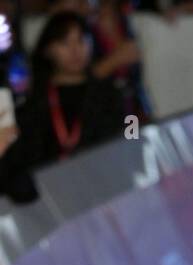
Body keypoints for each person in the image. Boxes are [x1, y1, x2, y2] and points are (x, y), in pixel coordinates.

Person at [0, 10, 125, 204]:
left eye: (81, 40)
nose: (75, 50)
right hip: (50, 203)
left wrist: (133, 144)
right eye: (65, 42)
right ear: (48, 49)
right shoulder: (33, 103)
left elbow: (132, 131)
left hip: (105, 195)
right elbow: (19, 159)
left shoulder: (113, 93)